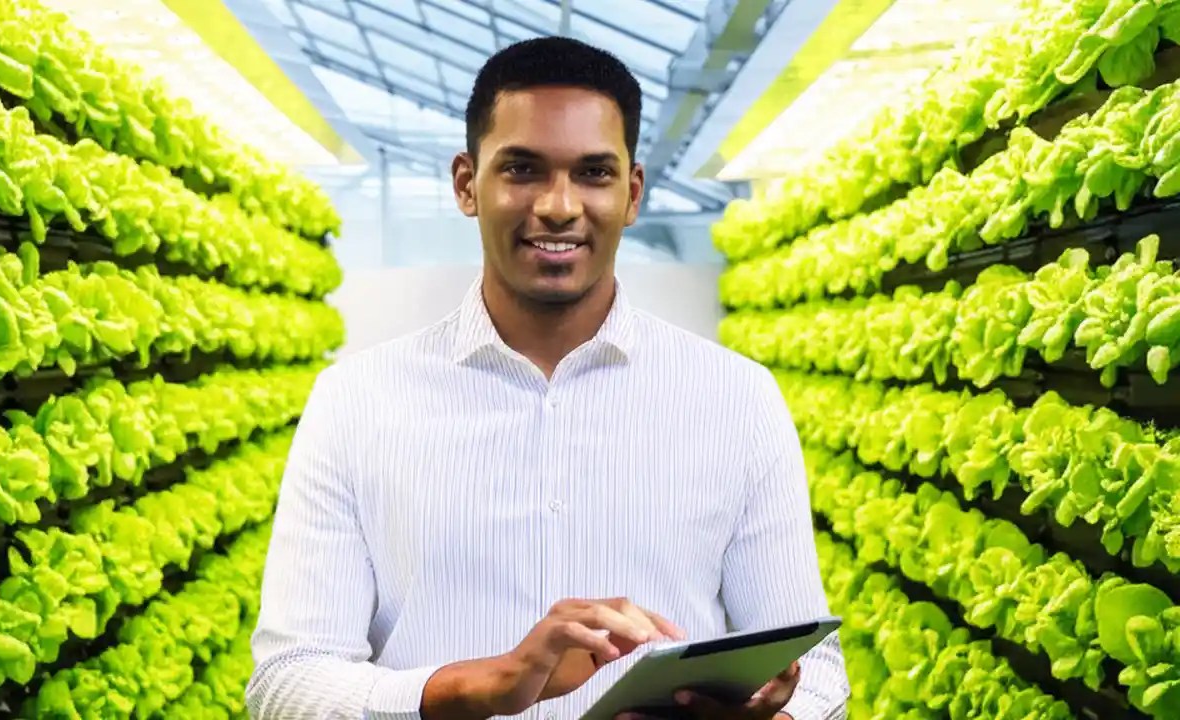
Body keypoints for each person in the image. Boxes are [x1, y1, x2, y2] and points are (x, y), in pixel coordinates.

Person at [245, 36, 849, 720]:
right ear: (467, 184)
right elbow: (286, 683)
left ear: (633, 192)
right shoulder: (356, 403)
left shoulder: (737, 399)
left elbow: (817, 668)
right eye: (523, 170)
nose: (559, 206)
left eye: (594, 173)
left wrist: (780, 715)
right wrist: (476, 686)